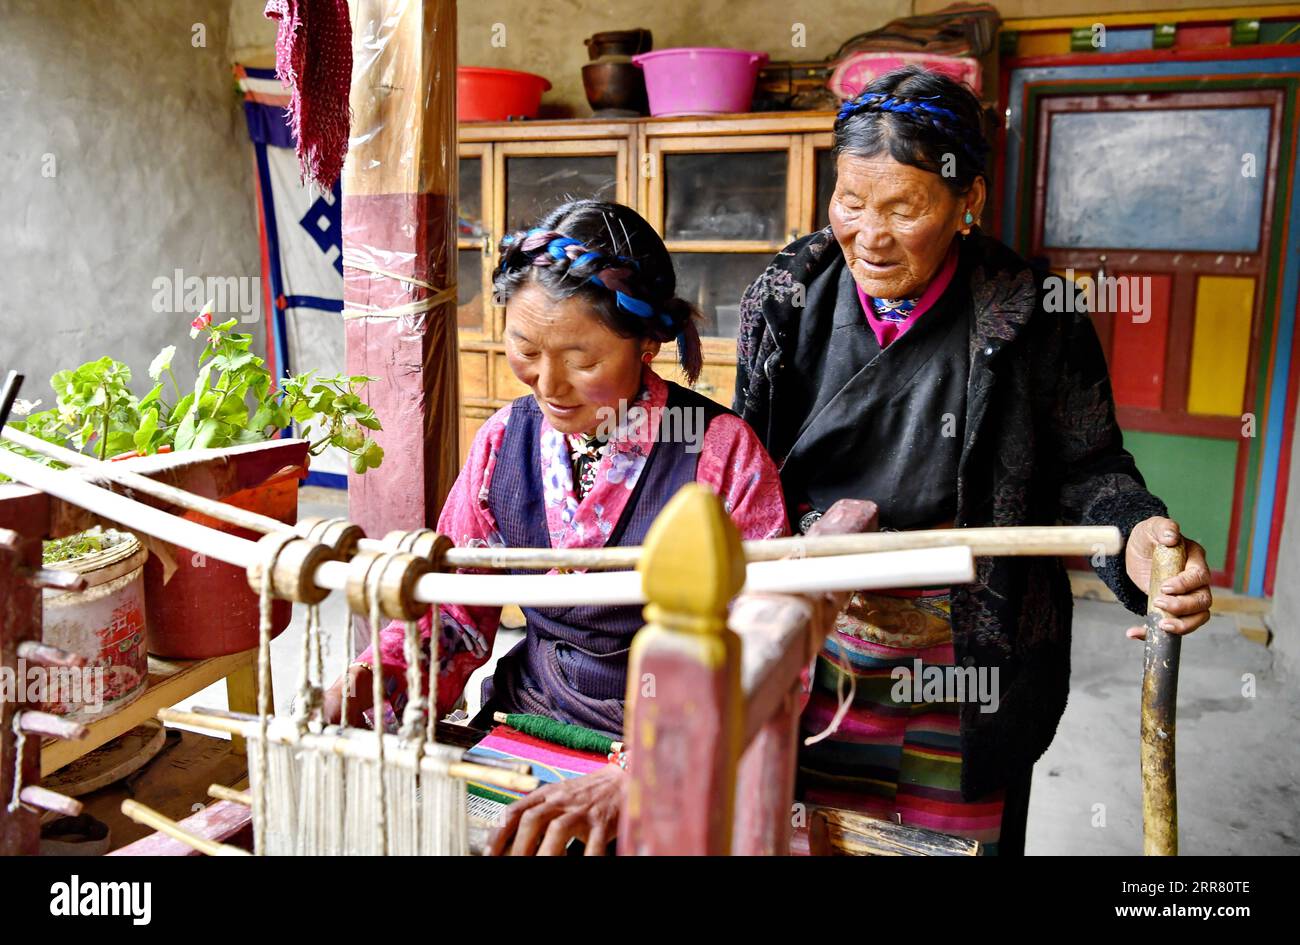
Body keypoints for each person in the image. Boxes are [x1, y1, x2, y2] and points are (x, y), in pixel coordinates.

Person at [732, 66, 1214, 855]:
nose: (870, 234)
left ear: (970, 202)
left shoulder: (1031, 312)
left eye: (905, 208)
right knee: (814, 836)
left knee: (952, 844)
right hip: (815, 636)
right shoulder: (787, 293)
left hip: (967, 654)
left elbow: (1091, 470)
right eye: (851, 201)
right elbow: (743, 464)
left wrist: (1137, 539)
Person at [322, 199, 789, 854]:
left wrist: (649, 769)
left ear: (648, 341)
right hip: (528, 718)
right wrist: (382, 678)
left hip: (675, 742)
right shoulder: (500, 444)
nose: (550, 383)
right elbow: (455, 614)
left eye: (582, 358)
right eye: (526, 349)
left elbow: (767, 644)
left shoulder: (720, 454)